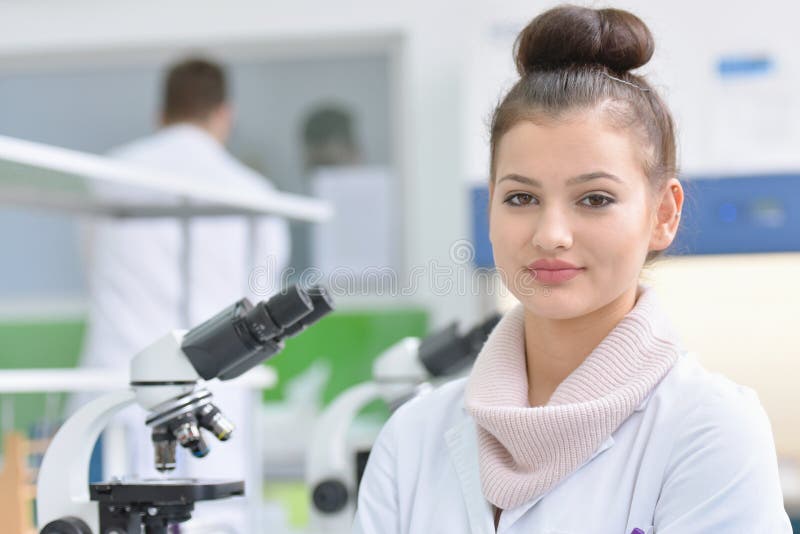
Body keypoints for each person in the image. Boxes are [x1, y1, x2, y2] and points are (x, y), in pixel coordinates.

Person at [353, 6, 791, 533]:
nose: (551, 234)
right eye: (520, 197)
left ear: (664, 214)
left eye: (594, 198)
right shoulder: (412, 438)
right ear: (490, 208)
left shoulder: (710, 428)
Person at [78, 58, 290, 532]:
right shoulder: (253, 193)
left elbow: (94, 266)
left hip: (118, 384)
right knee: (214, 517)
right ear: (225, 114)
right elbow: (262, 306)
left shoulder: (107, 175)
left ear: (161, 113)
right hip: (216, 393)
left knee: (106, 515)